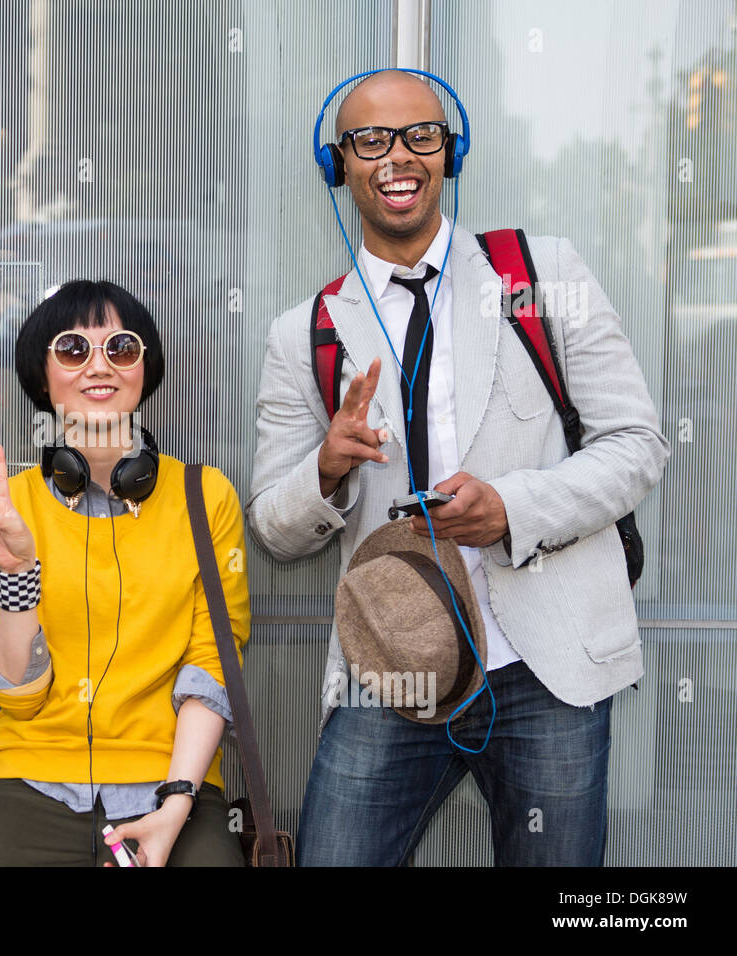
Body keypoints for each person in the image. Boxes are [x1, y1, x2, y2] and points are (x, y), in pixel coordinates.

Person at [246, 70, 668, 866]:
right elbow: (273, 522)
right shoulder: (303, 330)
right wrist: (327, 470)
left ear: (451, 151)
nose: (397, 157)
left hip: (548, 663)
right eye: (370, 140)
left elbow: (636, 443)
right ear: (339, 164)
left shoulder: (540, 274)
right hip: (393, 661)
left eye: (420, 136)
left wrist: (514, 508)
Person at [0, 279, 248, 867]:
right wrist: (16, 571)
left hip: (170, 779)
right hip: (31, 777)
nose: (98, 366)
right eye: (71, 350)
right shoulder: (6, 508)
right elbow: (17, 696)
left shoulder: (204, 496)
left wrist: (178, 798)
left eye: (120, 348)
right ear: (42, 376)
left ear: (144, 369)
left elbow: (214, 665)